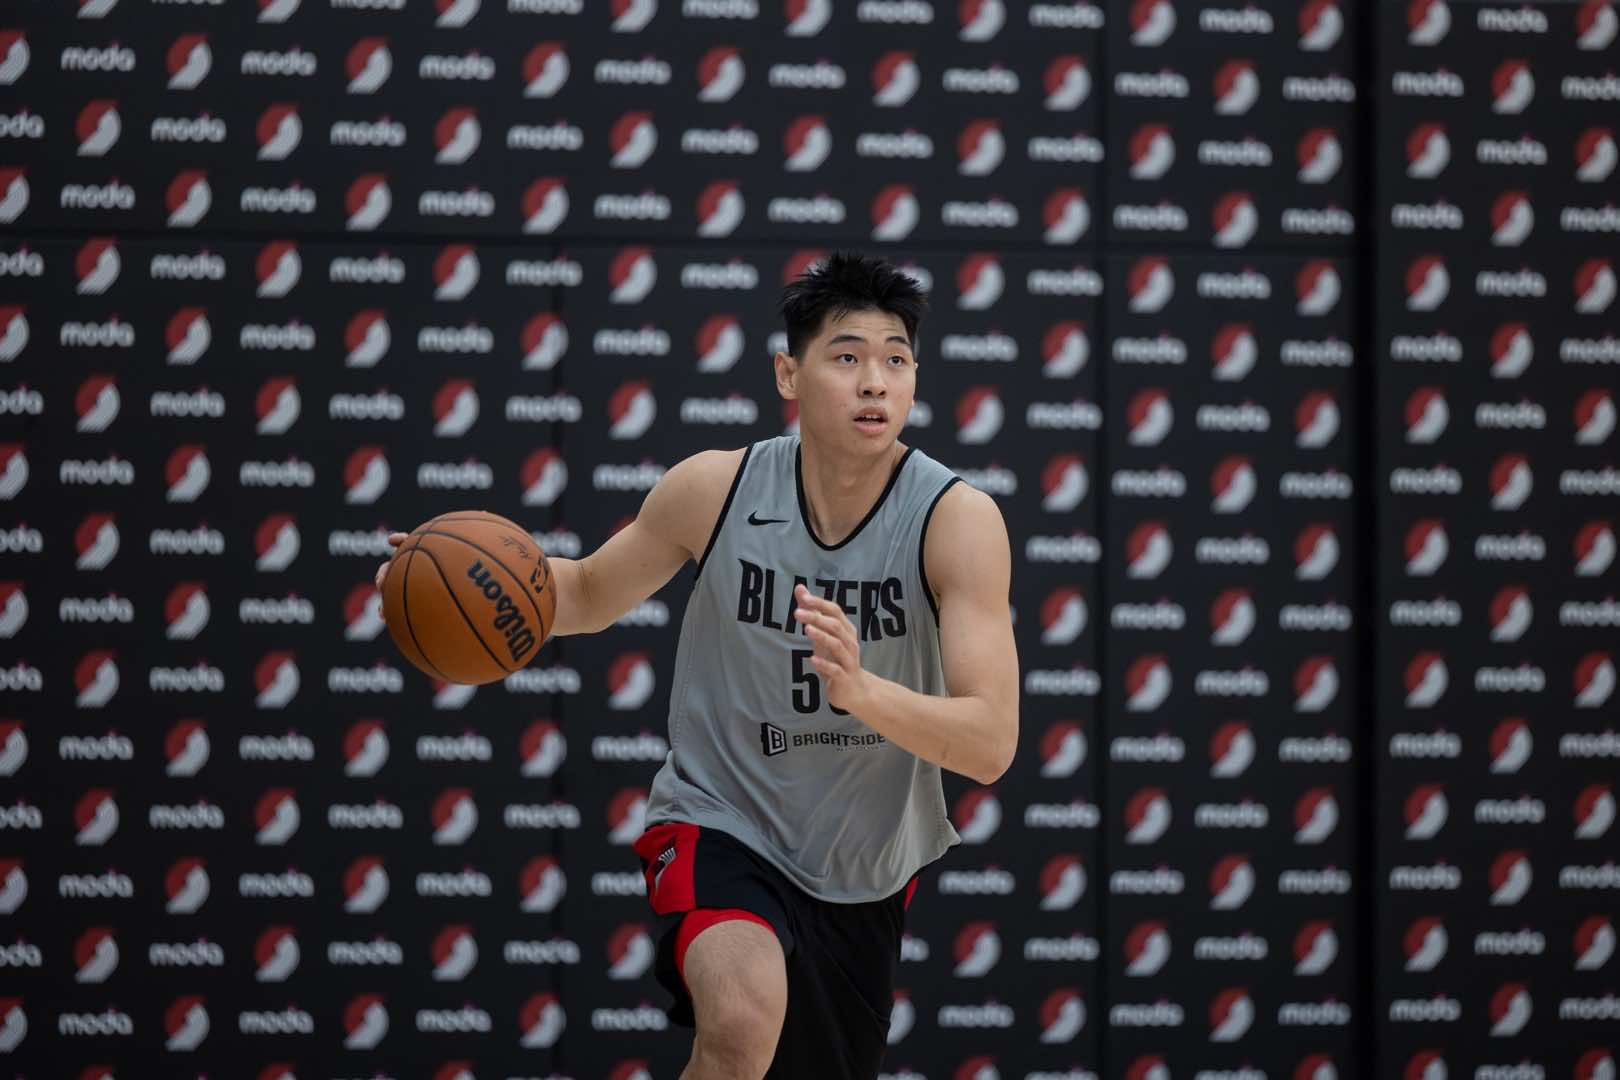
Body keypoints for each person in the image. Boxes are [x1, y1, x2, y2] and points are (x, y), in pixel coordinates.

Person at [376, 251, 1020, 1080]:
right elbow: (580, 594)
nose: (875, 382)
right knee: (744, 1018)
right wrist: (437, 581)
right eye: (848, 356)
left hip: (862, 868)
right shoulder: (713, 490)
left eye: (897, 360)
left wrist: (861, 691)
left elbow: (990, 741)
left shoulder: (955, 520)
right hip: (722, 819)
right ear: (789, 374)